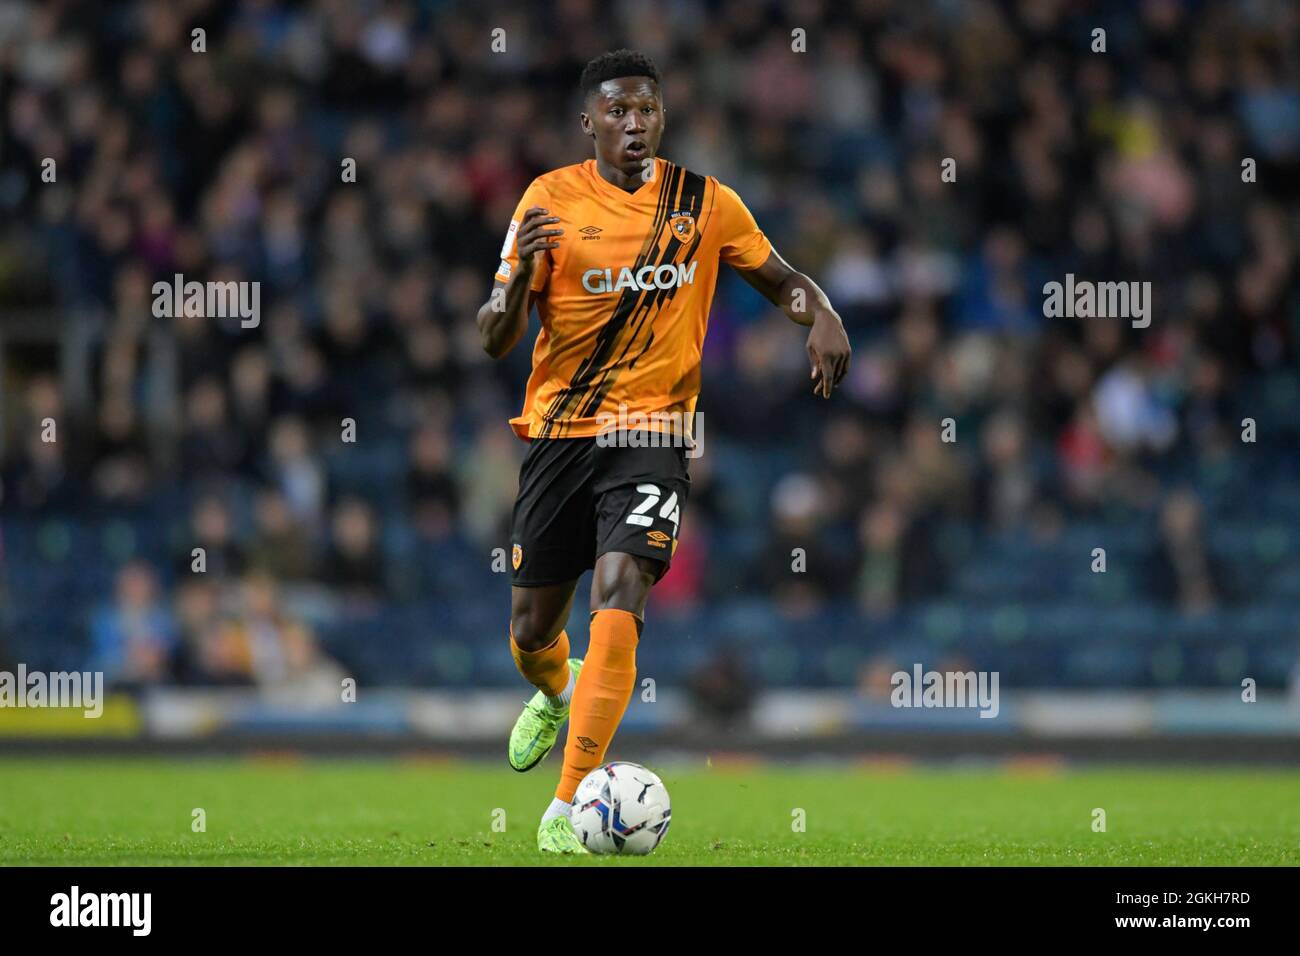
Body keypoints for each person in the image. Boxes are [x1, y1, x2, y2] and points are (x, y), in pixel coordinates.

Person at [474, 49, 852, 853]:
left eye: (646, 109)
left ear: (662, 117)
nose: (634, 123)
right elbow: (494, 336)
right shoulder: (546, 201)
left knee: (621, 590)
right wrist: (510, 290)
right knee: (531, 630)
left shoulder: (704, 203)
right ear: (589, 122)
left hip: (652, 434)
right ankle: (556, 688)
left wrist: (820, 311)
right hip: (558, 435)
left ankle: (567, 804)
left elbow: (778, 278)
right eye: (617, 110)